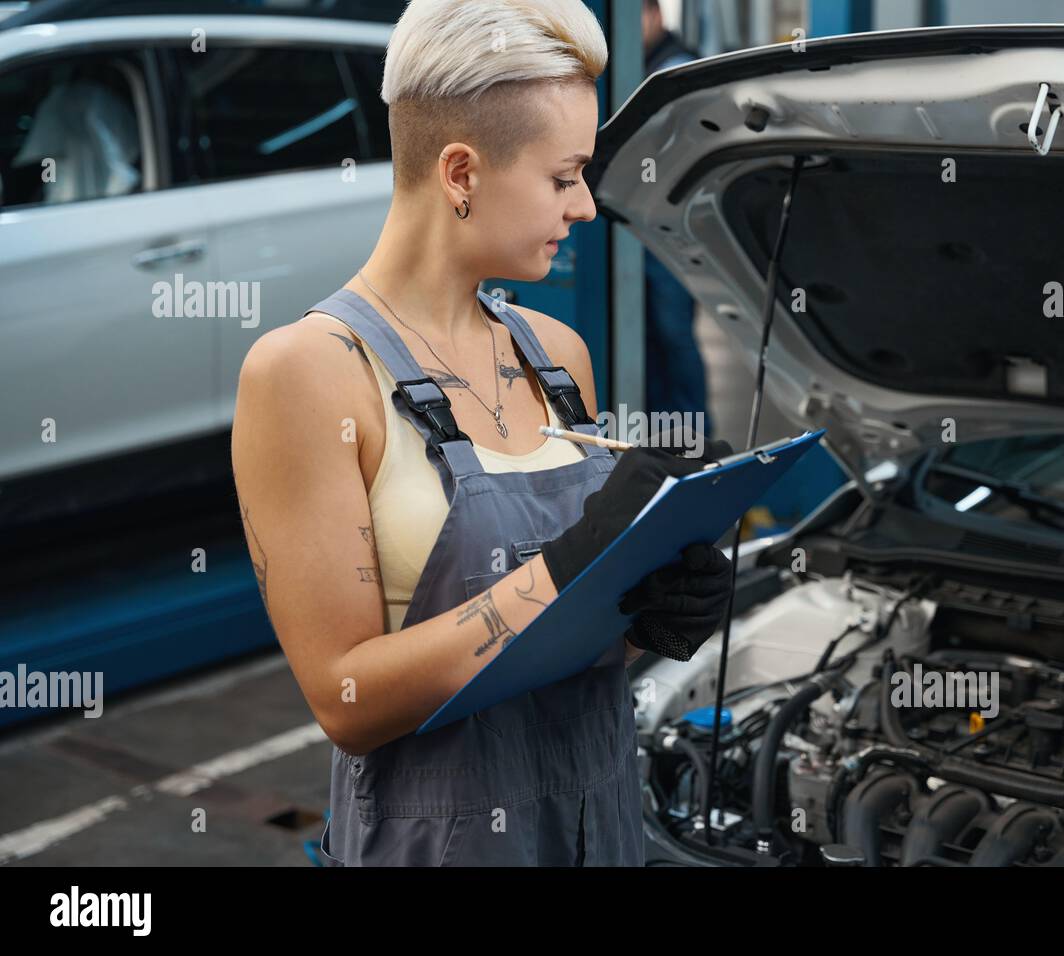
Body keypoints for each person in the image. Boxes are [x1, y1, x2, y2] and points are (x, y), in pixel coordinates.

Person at [230, 0, 734, 867]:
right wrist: (560, 571)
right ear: (460, 172)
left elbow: (566, 641)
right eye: (565, 174)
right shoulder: (311, 374)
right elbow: (346, 699)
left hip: (602, 827)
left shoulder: (556, 358)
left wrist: (648, 609)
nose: (584, 207)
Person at [642, 0, 714, 437]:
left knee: (673, 338)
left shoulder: (675, 69)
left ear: (653, 15)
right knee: (654, 339)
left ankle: (695, 441)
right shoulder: (650, 67)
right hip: (648, 230)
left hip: (669, 233)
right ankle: (664, 440)